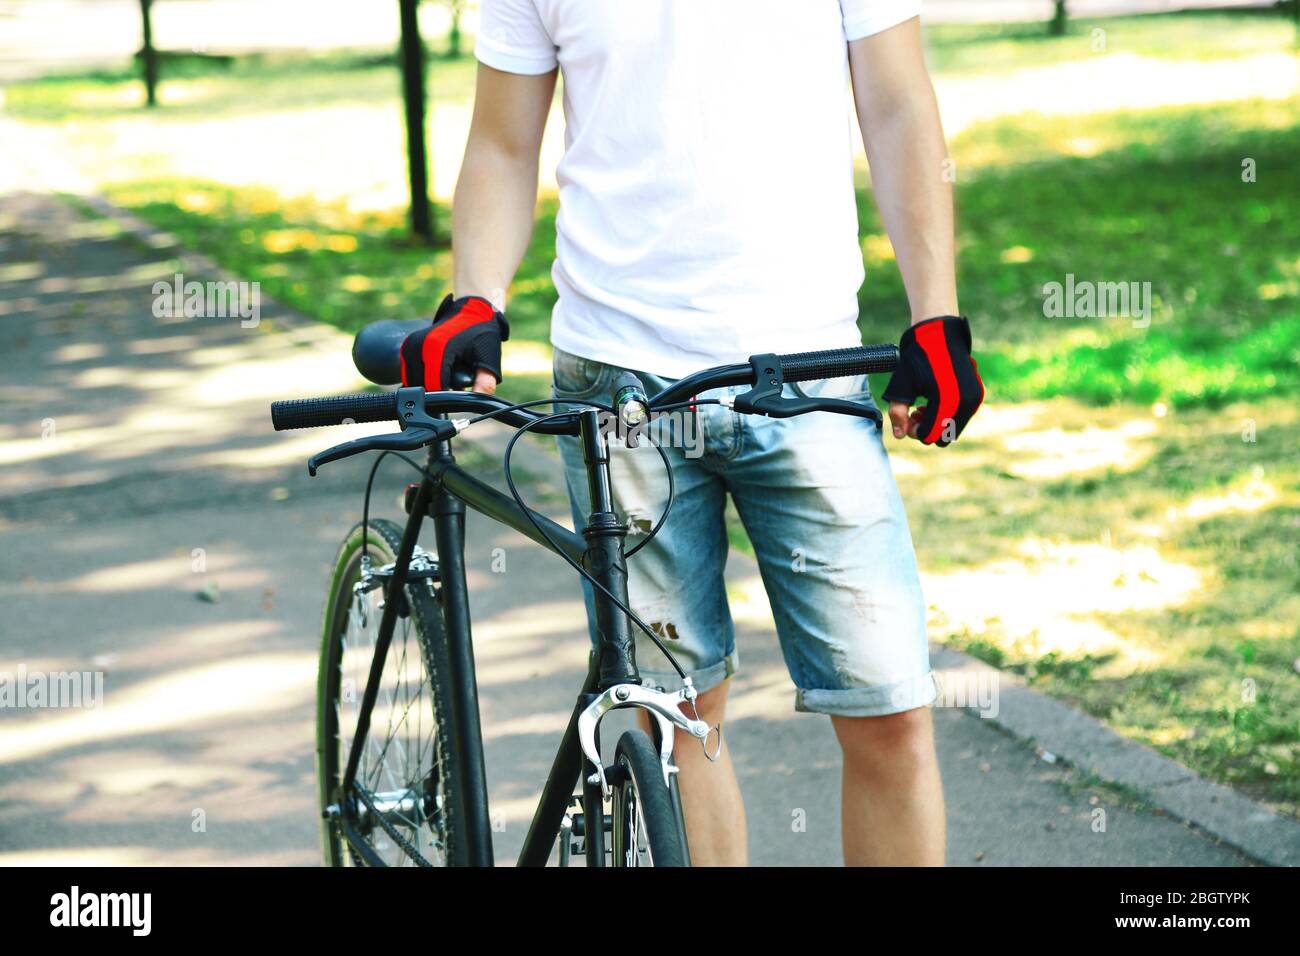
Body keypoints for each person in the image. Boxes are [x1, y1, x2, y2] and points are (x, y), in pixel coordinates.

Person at [399, 0, 984, 866]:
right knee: (679, 725)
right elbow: (502, 141)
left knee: (888, 712)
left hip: (807, 379)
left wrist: (936, 316)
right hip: (620, 388)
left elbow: (898, 105)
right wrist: (477, 293)